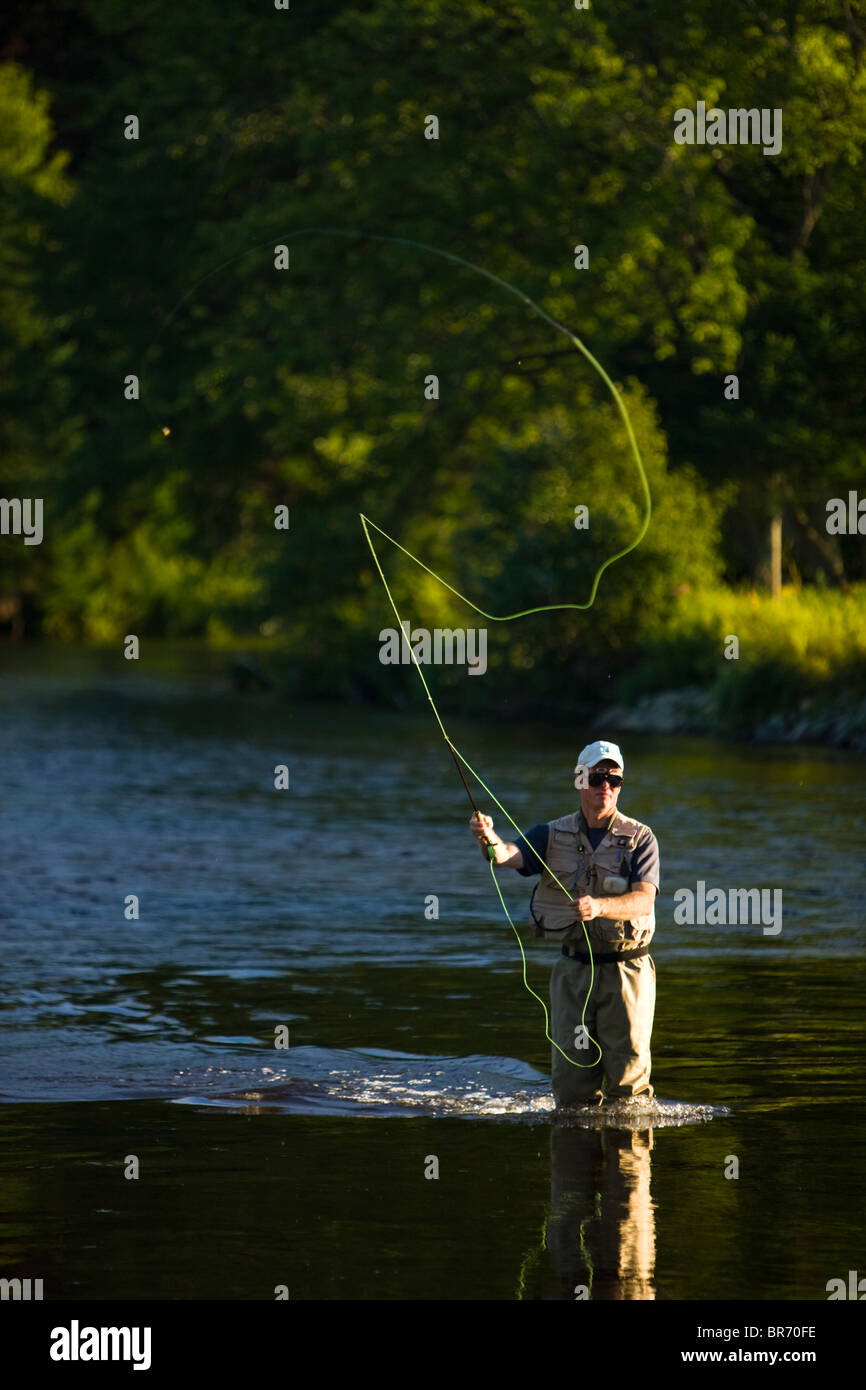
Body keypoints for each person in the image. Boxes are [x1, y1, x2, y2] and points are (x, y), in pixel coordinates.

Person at [469, 739, 660, 1109]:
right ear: (580, 780)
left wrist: (600, 906)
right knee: (571, 1090)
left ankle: (629, 1162)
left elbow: (645, 898)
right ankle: (575, 1161)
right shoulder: (550, 834)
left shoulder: (641, 838)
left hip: (628, 973)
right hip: (572, 972)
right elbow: (506, 855)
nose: (606, 785)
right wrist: (487, 837)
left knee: (630, 1089)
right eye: (598, 777)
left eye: (614, 780)